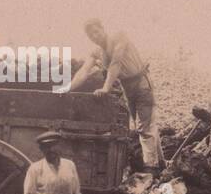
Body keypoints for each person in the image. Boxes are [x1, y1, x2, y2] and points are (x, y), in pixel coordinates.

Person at [68, 19, 162, 173]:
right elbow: (84, 71)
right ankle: (161, 165)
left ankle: (151, 168)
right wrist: (68, 88)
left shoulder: (119, 37)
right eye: (90, 35)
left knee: (144, 126)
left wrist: (106, 88)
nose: (94, 36)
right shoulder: (97, 52)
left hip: (141, 83)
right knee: (146, 125)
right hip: (127, 87)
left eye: (96, 32)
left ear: (103, 28)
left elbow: (116, 63)